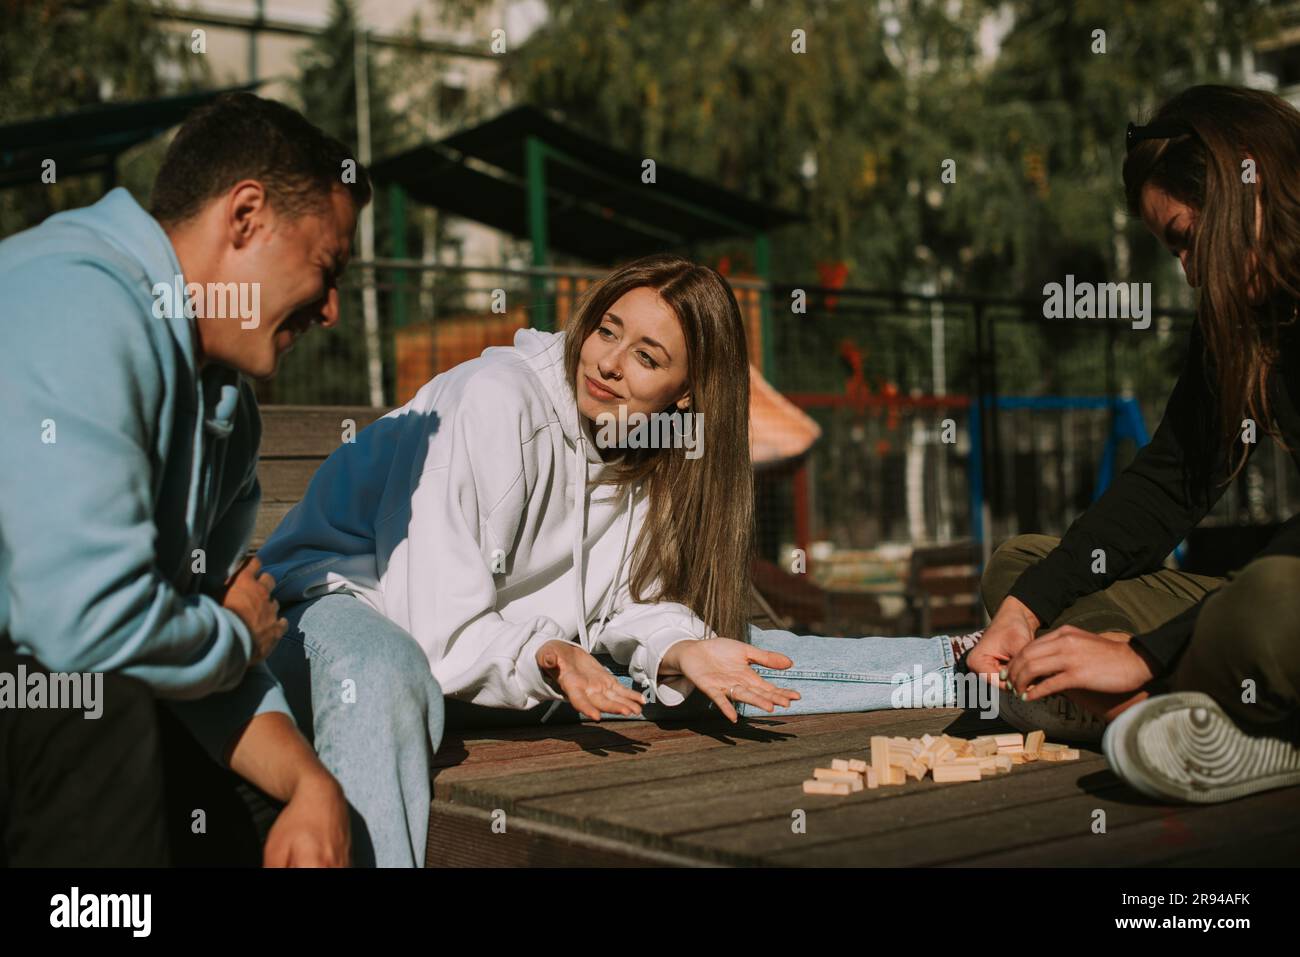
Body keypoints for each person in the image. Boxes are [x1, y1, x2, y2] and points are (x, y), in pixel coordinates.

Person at [258, 253, 980, 867]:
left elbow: (631, 603)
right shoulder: (495, 401)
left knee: (730, 658)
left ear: (686, 393)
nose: (607, 362)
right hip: (337, 614)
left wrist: (675, 647)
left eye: (646, 356)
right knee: (382, 670)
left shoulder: (649, 450)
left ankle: (962, 666)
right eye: (608, 330)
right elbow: (433, 632)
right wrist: (547, 651)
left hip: (503, 663)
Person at [0, 92, 369, 865]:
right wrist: (233, 634)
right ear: (245, 217)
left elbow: (183, 652)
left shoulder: (224, 409)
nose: (333, 309)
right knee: (98, 702)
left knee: (278, 810)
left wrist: (311, 788)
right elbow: (90, 629)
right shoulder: (82, 300)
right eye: (325, 267)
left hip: (56, 696)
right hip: (53, 694)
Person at [970, 84, 1300, 803]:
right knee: (1022, 568)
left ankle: (1167, 708)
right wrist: (1026, 610)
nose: (1186, 269)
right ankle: (1189, 717)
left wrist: (1146, 650)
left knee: (1270, 602)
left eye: (1184, 237)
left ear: (1248, 179)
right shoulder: (1242, 320)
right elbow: (1169, 483)